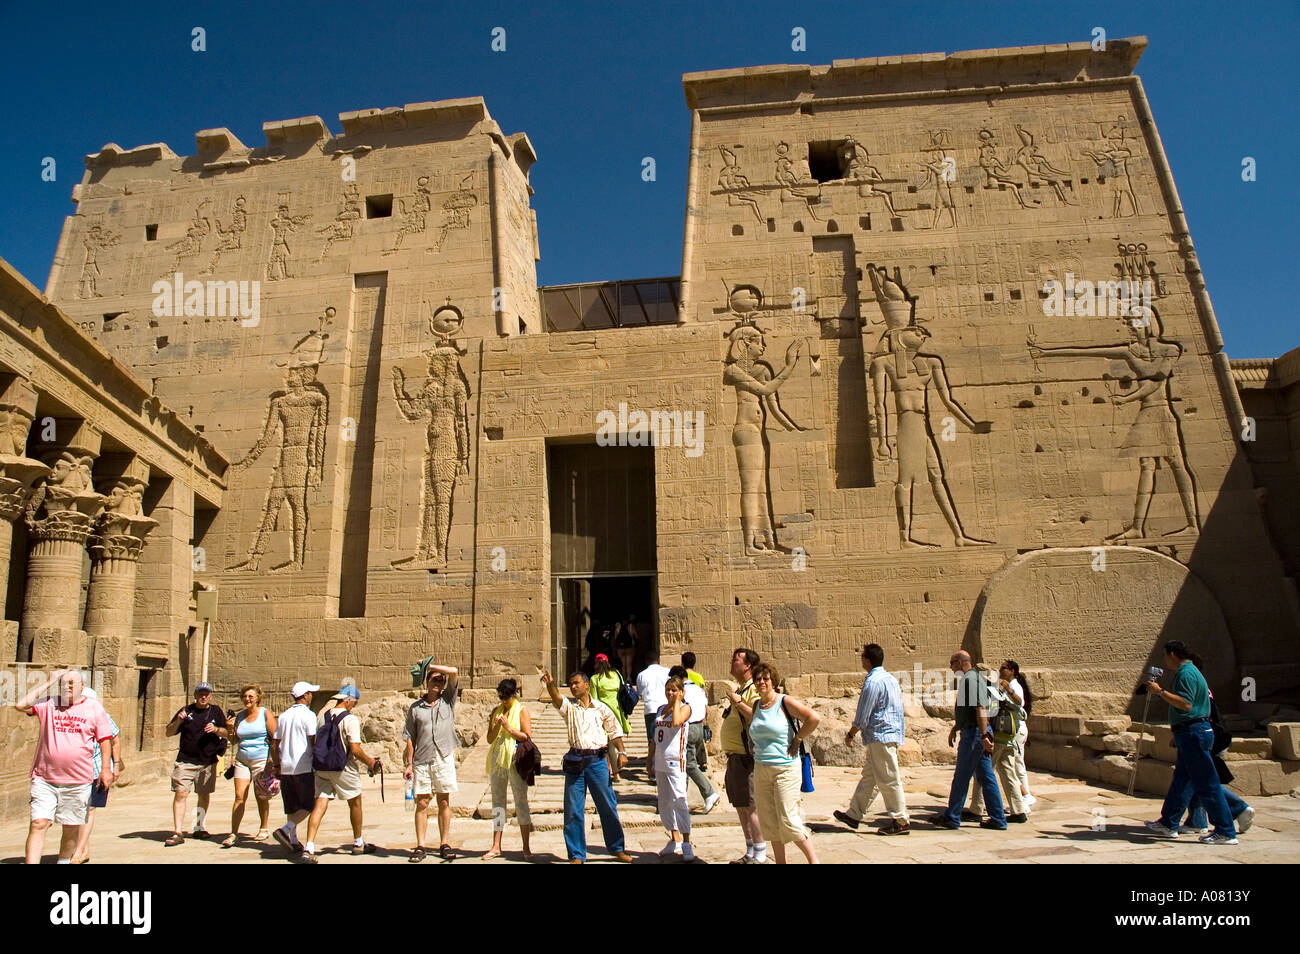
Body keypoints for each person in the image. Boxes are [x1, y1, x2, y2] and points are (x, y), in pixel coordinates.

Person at [15, 670, 114, 864]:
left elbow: (105, 740)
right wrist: (48, 682)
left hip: (78, 780)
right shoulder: (49, 704)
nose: (67, 687)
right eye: (63, 683)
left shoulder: (94, 708)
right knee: (38, 823)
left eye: (71, 683)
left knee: (70, 827)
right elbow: (20, 705)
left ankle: (63, 861)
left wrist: (106, 769)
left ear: (82, 687)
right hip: (44, 778)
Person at [1143, 642, 1237, 844]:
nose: (1166, 661)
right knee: (1181, 781)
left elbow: (1185, 704)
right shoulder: (1192, 671)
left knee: (1207, 784)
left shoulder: (1185, 674)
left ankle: (1225, 830)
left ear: (1173, 654)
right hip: (1190, 731)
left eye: (1166, 657)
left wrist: (1160, 692)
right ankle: (1169, 823)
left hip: (1194, 732)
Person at [726, 663, 820, 864]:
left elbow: (813, 718)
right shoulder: (758, 706)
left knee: (789, 821)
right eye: (758, 679)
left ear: (773, 681)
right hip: (762, 768)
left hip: (785, 768)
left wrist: (798, 739)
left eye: (765, 679)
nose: (761, 682)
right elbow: (755, 723)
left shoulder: (784, 702)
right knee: (769, 822)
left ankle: (814, 861)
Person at [541, 669, 632, 864]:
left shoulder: (601, 708)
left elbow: (614, 731)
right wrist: (550, 684)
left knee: (607, 805)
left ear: (586, 685)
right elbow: (557, 699)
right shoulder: (570, 708)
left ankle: (617, 848)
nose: (573, 687)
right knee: (573, 809)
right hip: (576, 761)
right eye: (571, 684)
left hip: (597, 761)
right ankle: (576, 854)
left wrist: (622, 753)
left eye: (576, 683)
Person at [834, 643, 910, 834]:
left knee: (888, 779)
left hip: (881, 736)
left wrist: (851, 733)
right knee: (871, 777)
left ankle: (900, 820)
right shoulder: (890, 679)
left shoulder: (873, 682)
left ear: (867, 660)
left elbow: (863, 714)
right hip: (889, 733)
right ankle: (854, 814)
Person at [301, 683, 381, 863]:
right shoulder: (350, 719)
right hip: (342, 767)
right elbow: (355, 749)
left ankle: (309, 846)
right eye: (354, 702)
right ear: (348, 700)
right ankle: (358, 842)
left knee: (320, 803)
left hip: (322, 767)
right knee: (355, 802)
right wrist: (370, 762)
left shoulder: (322, 716)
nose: (354, 705)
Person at [1182, 654, 1254, 835]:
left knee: (1205, 780)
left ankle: (1238, 808)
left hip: (1208, 738)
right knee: (1197, 778)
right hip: (1211, 736)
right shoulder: (1201, 687)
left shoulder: (1196, 688)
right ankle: (1197, 820)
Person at [937, 651, 1006, 830]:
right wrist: (956, 727)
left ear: (960, 663)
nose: (950, 667)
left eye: (952, 663)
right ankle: (998, 819)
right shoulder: (973, 678)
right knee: (986, 777)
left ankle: (952, 817)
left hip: (974, 735)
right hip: (974, 731)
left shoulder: (970, 680)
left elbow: (981, 708)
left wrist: (983, 735)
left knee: (961, 776)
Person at [403, 662, 460, 861]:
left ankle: (444, 842)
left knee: (444, 801)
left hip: (443, 756)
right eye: (434, 679)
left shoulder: (448, 700)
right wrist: (408, 763)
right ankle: (421, 845)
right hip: (422, 759)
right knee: (423, 802)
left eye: (441, 680)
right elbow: (410, 736)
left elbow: (454, 671)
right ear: (426, 682)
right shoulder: (416, 708)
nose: (438, 682)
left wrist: (430, 665)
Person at [164, 682, 230, 846]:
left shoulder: (215, 711)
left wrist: (215, 729)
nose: (203, 696)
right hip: (186, 760)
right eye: (200, 693)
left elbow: (226, 732)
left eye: (206, 693)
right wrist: (179, 721)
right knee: (181, 793)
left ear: (210, 696)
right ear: (195, 695)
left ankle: (199, 827)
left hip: (207, 762)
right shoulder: (186, 710)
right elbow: (169, 732)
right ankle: (178, 831)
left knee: (203, 795)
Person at [968, 662, 1029, 822]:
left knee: (984, 772)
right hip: (1008, 737)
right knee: (1009, 773)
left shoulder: (988, 691)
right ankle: (1018, 811)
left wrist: (983, 734)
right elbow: (1021, 711)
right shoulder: (1002, 691)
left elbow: (985, 713)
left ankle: (977, 809)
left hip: (996, 737)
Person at [721, 647, 766, 863]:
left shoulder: (754, 689)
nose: (732, 662)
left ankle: (760, 852)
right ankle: (750, 851)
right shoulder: (742, 688)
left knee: (750, 806)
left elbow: (757, 716)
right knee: (741, 805)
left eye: (736, 659)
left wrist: (737, 702)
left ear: (748, 665)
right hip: (736, 756)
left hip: (746, 757)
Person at [484, 678, 533, 860]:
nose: (503, 701)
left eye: (506, 697)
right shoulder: (496, 712)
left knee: (520, 801)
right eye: (501, 697)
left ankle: (526, 846)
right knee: (497, 802)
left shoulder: (521, 710)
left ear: (514, 694)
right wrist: (497, 725)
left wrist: (508, 728)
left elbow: (526, 736)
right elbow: (489, 739)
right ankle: (496, 845)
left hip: (515, 759)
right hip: (498, 758)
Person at [71, 686, 121, 864]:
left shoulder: (103, 717)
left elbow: (115, 741)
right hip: (73, 772)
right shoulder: (69, 716)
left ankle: (79, 851)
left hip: (95, 770)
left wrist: (113, 767)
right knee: (76, 811)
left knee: (89, 810)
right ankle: (84, 849)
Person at [223, 684, 277, 847]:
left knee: (261, 795)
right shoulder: (239, 716)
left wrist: (273, 761)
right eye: (245, 696)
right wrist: (229, 728)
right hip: (242, 759)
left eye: (250, 696)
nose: (247, 699)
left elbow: (275, 737)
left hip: (260, 759)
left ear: (257, 698)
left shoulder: (265, 713)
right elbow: (234, 741)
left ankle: (264, 827)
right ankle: (234, 832)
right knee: (239, 797)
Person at [271, 681, 319, 855]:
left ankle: (292, 840)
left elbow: (275, 744)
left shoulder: (283, 716)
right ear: (305, 695)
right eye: (310, 693)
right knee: (309, 805)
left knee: (292, 806)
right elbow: (312, 740)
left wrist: (277, 765)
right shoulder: (309, 715)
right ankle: (286, 829)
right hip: (304, 765)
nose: (312, 696)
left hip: (286, 766)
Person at [654, 676, 695, 860]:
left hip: (675, 760)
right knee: (664, 802)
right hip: (660, 760)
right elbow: (655, 735)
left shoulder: (685, 709)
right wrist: (649, 759)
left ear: (681, 691)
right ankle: (674, 838)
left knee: (679, 800)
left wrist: (678, 701)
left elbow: (677, 722)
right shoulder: (661, 709)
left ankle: (686, 843)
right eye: (668, 689)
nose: (670, 693)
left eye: (674, 690)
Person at [668, 664, 719, 812]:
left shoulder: (681, 692)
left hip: (688, 727)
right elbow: (705, 708)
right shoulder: (697, 688)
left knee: (689, 764)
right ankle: (680, 797)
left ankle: (709, 793)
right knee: (684, 764)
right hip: (698, 727)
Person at [590, 654, 631, 779]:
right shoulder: (617, 675)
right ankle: (616, 765)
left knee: (609, 744)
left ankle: (616, 772)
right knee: (616, 739)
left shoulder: (595, 679)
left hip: (604, 713)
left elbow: (594, 699)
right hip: (618, 711)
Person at [636, 650, 670, 779]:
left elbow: (640, 692)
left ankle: (653, 768)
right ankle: (660, 768)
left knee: (652, 738)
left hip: (650, 708)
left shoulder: (641, 675)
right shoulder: (667, 672)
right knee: (663, 738)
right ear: (658, 659)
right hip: (664, 707)